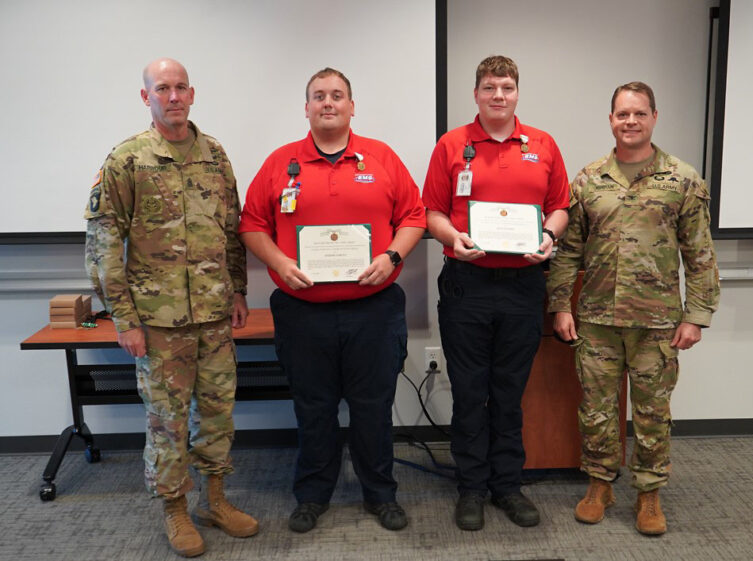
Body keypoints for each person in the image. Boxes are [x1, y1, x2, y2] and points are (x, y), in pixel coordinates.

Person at [239, 68, 425, 533]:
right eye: (318, 96)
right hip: (304, 314)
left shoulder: (381, 158)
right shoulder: (281, 162)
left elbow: (415, 216)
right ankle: (312, 495)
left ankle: (380, 494)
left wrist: (391, 254)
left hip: (374, 311)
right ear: (306, 108)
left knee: (372, 407)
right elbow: (251, 225)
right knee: (313, 408)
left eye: (337, 95)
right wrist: (279, 263)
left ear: (351, 105)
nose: (328, 103)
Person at [84, 58, 258, 557]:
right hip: (158, 325)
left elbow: (231, 227)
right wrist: (124, 319)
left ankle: (215, 500)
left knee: (219, 414)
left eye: (181, 87)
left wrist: (239, 289)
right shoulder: (128, 160)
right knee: (168, 420)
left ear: (193, 93)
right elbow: (102, 244)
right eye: (163, 88)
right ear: (147, 97)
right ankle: (176, 510)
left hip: (214, 315)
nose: (174, 96)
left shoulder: (214, 155)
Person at [547, 81, 720, 535]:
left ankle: (649, 494)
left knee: (652, 412)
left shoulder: (682, 179)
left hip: (657, 322)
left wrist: (696, 315)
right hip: (598, 319)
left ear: (654, 118)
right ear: (610, 120)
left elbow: (699, 253)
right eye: (622, 114)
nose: (630, 121)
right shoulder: (588, 180)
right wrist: (561, 306)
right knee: (597, 409)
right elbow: (569, 252)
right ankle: (599, 484)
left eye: (639, 114)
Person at [422, 55, 570, 531]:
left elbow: (560, 206)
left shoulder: (543, 144)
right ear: (476, 94)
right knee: (469, 393)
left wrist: (548, 235)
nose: (499, 95)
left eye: (507, 87)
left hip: (524, 285)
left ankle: (507, 486)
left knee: (509, 393)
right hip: (468, 284)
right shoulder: (452, 144)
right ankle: (470, 488)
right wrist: (452, 238)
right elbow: (432, 212)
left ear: (517, 93)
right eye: (490, 87)